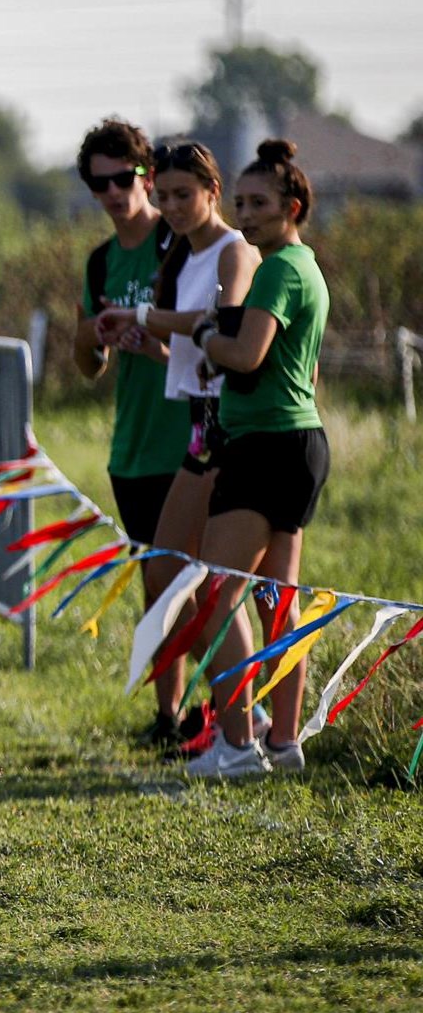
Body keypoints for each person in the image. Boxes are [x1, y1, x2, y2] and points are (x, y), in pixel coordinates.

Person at [95, 140, 260, 752]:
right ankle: (234, 715)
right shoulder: (183, 255)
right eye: (162, 196)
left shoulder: (232, 250)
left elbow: (227, 325)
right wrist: (151, 342)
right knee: (169, 576)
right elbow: (197, 348)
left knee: (213, 587)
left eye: (182, 194)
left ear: (213, 191)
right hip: (199, 426)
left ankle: (244, 727)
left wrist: (144, 316)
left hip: (229, 429)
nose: (170, 207)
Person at [178, 140, 330, 780]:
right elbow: (299, 368)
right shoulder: (307, 267)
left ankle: (238, 744)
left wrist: (205, 333)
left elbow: (246, 355)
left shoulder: (276, 271)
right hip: (300, 445)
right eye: (239, 203)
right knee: (277, 602)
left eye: (259, 203)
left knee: (216, 593)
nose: (245, 215)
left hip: (265, 447)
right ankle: (285, 742)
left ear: (291, 207)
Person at [70, 118, 190, 718]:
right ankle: (171, 718)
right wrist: (93, 336)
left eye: (124, 178)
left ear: (148, 174)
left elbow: (217, 339)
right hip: (133, 449)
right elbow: (89, 365)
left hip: (190, 442)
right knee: (156, 587)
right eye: (100, 184)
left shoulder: (183, 244)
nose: (114, 193)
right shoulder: (100, 263)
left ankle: (238, 722)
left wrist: (158, 345)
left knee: (194, 587)